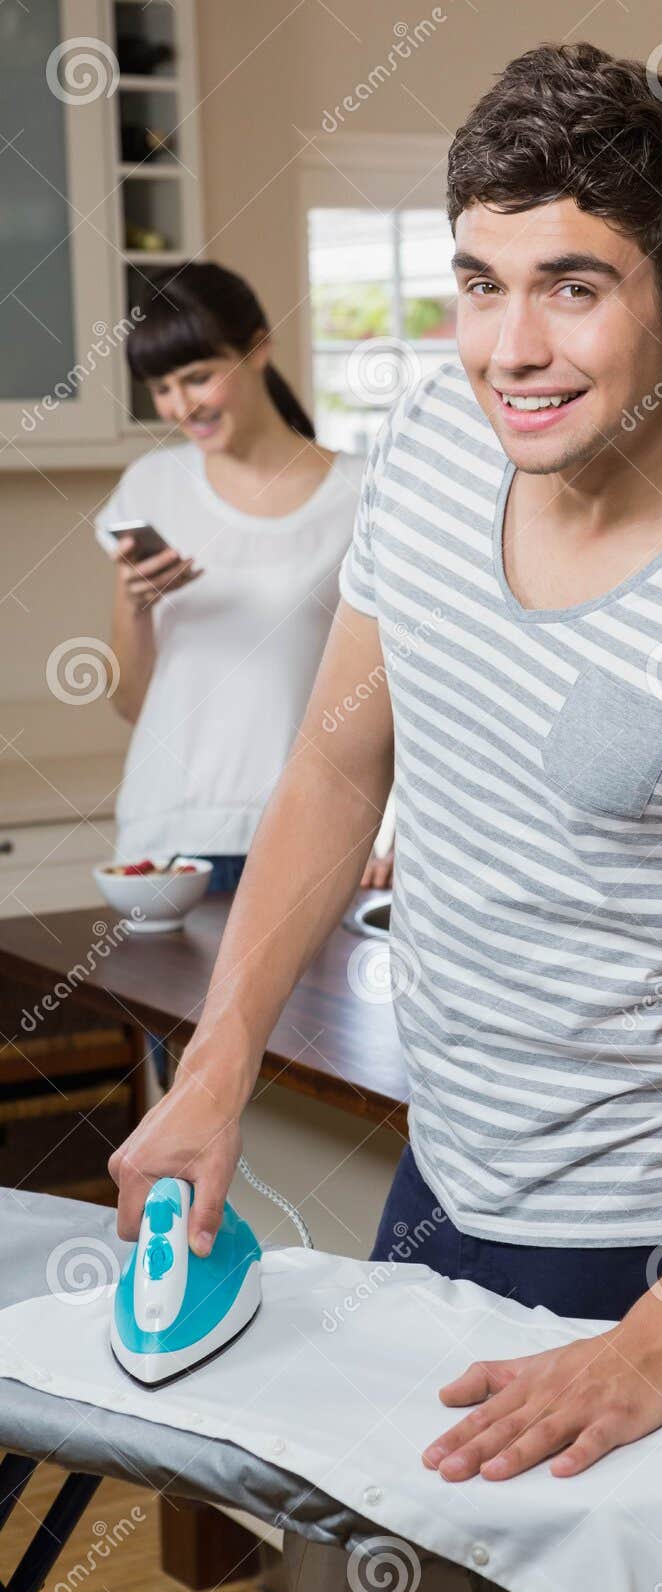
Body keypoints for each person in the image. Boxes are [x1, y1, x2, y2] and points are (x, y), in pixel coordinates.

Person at [108, 45, 662, 1493]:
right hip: (438, 1178)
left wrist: (656, 1341)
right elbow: (336, 771)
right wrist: (216, 1065)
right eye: (478, 282)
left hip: (638, 1247)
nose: (506, 347)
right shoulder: (435, 455)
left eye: (571, 287)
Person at [93, 264, 392, 1082]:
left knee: (316, 1096)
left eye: (197, 375)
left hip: (307, 843)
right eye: (161, 387)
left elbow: (398, 693)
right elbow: (130, 702)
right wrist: (135, 604)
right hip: (168, 844)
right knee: (186, 1106)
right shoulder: (148, 488)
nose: (181, 406)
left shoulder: (361, 496)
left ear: (258, 348)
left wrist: (391, 825)